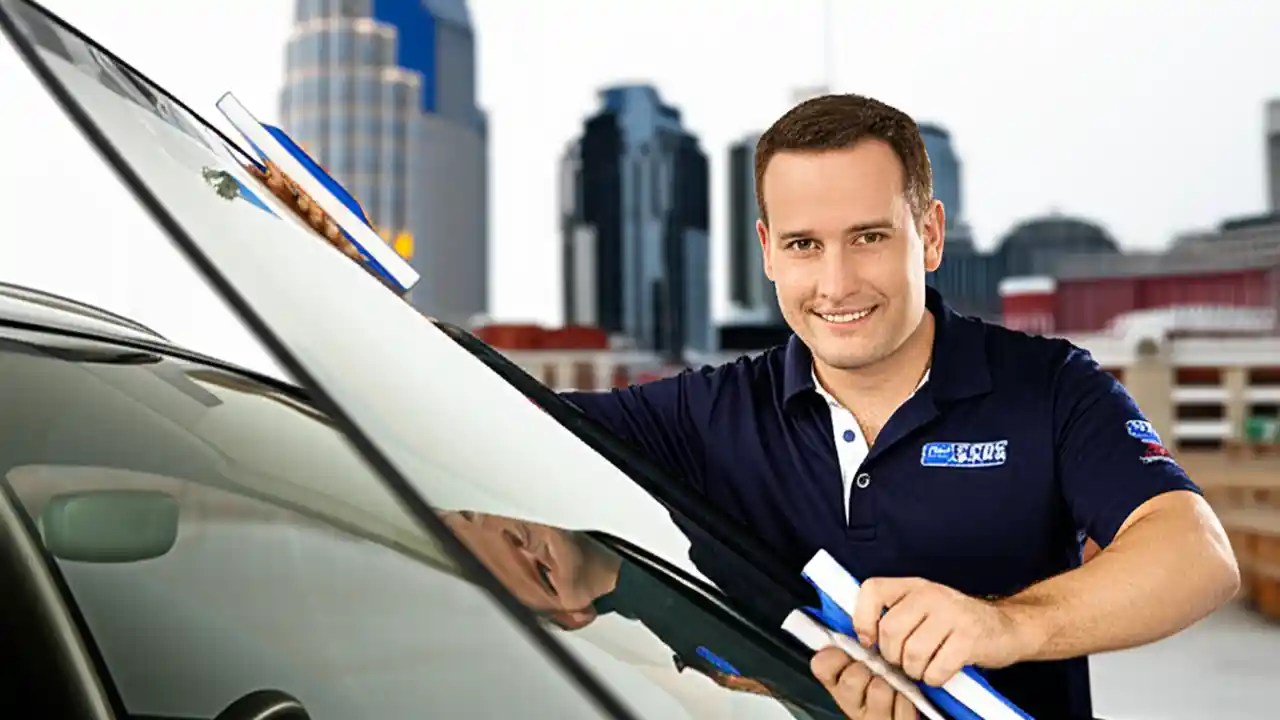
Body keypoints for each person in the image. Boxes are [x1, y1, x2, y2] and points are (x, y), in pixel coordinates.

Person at [558, 93, 1241, 720]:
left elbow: (1197, 555)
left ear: (931, 234)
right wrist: (594, 572)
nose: (837, 282)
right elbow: (490, 435)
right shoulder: (706, 412)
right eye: (804, 245)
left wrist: (1003, 625)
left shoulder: (1049, 387)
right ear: (768, 253)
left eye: (870, 237)